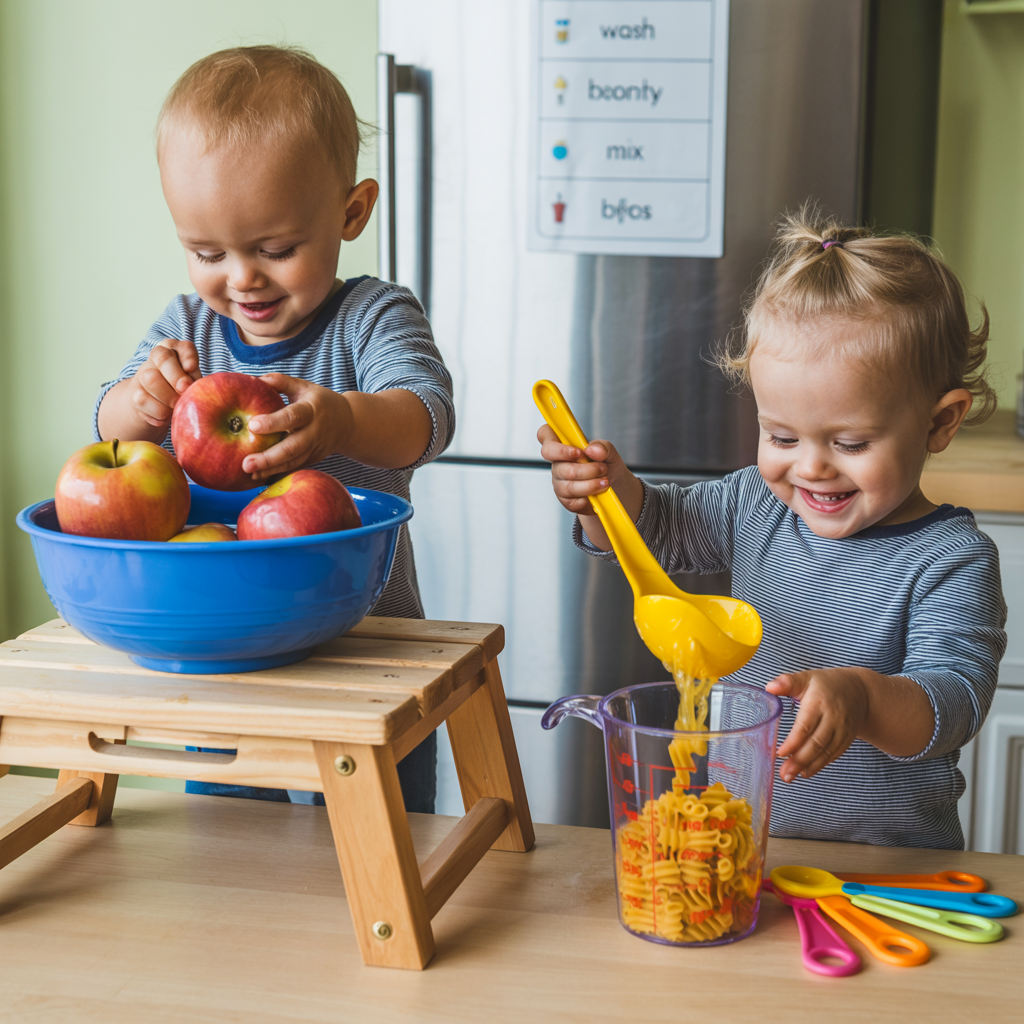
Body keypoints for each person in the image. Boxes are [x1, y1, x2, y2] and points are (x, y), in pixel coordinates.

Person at [539, 209, 1007, 849]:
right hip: (749, 850)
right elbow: (658, 530)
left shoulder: (952, 559)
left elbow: (952, 704)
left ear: (939, 423)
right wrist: (605, 500)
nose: (811, 465)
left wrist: (862, 699)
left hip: (896, 872)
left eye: (850, 441)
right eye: (781, 435)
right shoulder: (756, 505)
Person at [95, 45, 454, 811]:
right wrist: (143, 400)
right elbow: (107, 424)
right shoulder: (188, 326)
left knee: (379, 831)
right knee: (235, 840)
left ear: (352, 212)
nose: (242, 278)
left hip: (367, 650)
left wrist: (342, 420)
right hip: (230, 644)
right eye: (206, 252)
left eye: (276, 250)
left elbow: (426, 417)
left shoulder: (372, 316)